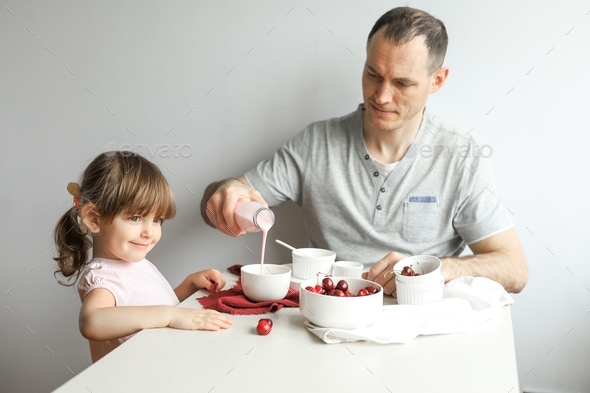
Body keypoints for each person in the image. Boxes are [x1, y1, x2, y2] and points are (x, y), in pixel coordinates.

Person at [200, 7, 527, 295]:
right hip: (328, 313)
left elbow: (515, 270)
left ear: (437, 80)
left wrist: (437, 269)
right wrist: (225, 194)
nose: (381, 96)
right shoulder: (316, 143)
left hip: (419, 322)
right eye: (373, 74)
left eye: (402, 83)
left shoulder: (460, 157)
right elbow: (222, 201)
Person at [54, 151, 232, 363]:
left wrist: (188, 286)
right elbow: (91, 321)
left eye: (156, 219)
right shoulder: (105, 277)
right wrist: (170, 316)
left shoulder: (134, 263)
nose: (149, 232)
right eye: (135, 217)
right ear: (94, 219)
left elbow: (149, 307)